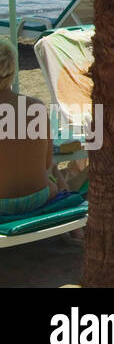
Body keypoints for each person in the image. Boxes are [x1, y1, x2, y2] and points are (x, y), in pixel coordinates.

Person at [0, 40, 57, 217]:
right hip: (39, 197)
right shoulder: (36, 107)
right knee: (54, 173)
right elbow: (48, 163)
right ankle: (76, 232)